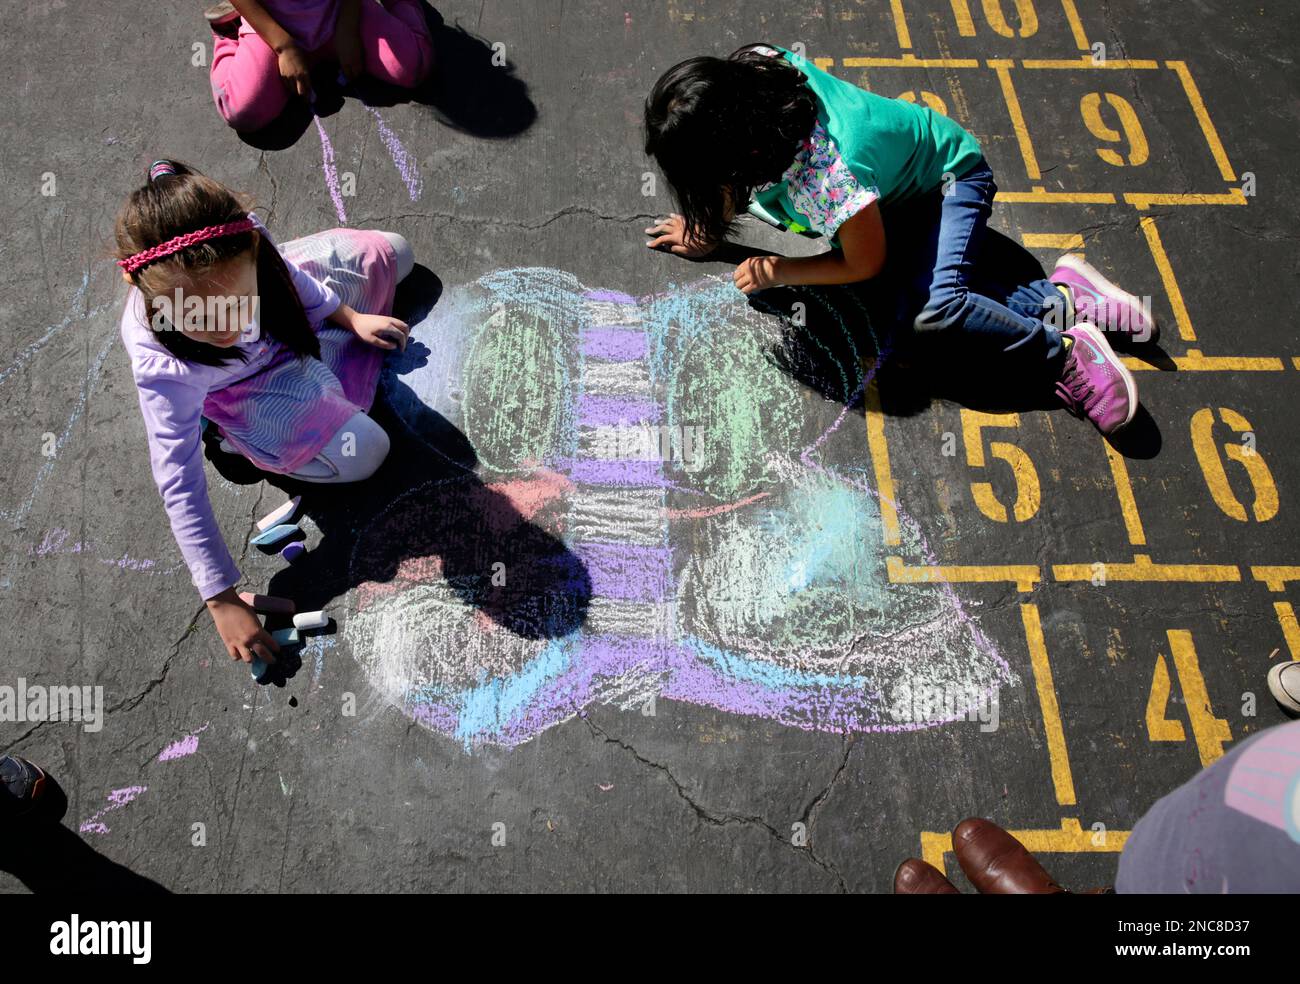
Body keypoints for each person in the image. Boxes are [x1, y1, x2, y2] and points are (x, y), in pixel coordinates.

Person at [643, 44, 1154, 435]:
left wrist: (779, 269)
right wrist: (707, 229)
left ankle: (1063, 354)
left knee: (934, 310)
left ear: (741, 154)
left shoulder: (827, 178)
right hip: (884, 202)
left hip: (947, 184)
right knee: (901, 292)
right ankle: (1063, 300)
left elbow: (862, 262)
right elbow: (732, 181)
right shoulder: (754, 73)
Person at [115, 160, 414, 669]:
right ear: (155, 299)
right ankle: (232, 435)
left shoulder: (251, 244)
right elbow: (178, 480)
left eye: (235, 301)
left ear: (250, 252)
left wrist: (349, 317)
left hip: (283, 327)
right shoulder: (163, 365)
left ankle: (317, 350)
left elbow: (290, 281)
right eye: (196, 315)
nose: (224, 326)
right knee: (367, 450)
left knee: (396, 252)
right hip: (241, 387)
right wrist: (220, 597)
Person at [207, 0, 435, 132]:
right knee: (243, 111)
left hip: (340, 11)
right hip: (271, 22)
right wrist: (283, 46)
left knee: (413, 66)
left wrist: (348, 26)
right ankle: (228, 32)